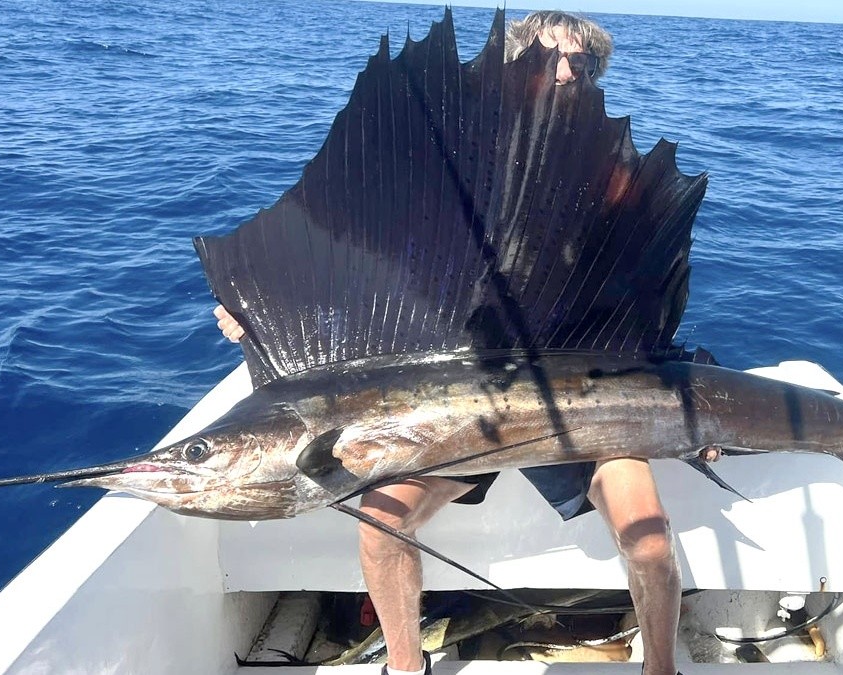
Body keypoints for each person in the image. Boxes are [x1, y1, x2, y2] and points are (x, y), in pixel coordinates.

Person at [215, 12, 687, 675]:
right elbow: (365, 253)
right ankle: (406, 667)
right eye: (547, 59)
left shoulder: (614, 179)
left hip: (586, 400)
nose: (564, 74)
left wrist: (690, 389)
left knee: (651, 547)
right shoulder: (464, 160)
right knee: (381, 524)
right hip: (463, 402)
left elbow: (645, 303)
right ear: (513, 69)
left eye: (579, 65)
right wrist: (263, 310)